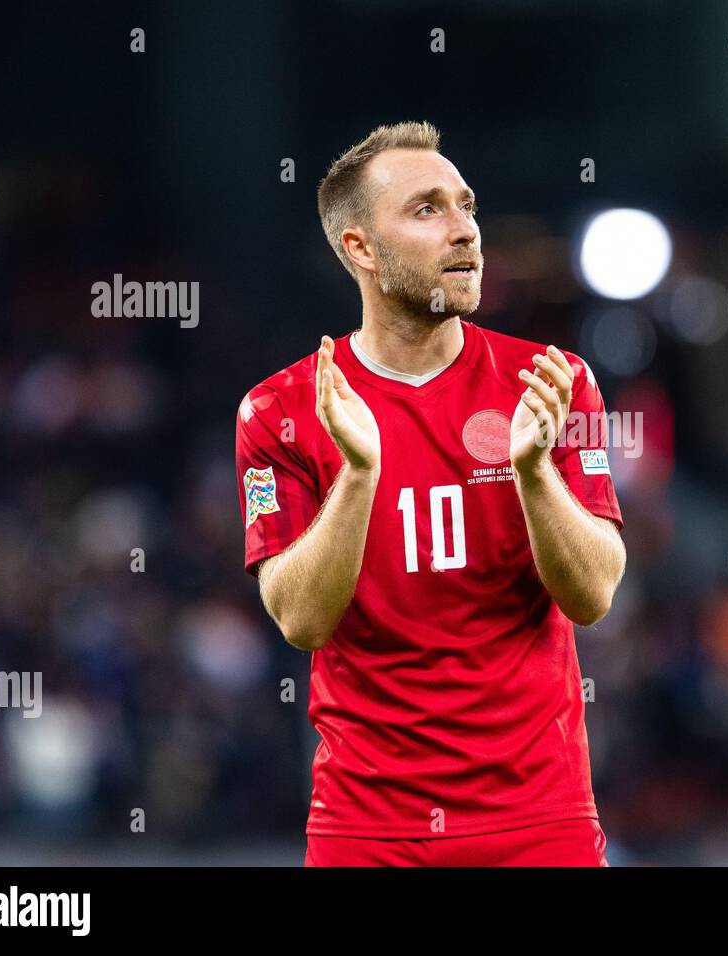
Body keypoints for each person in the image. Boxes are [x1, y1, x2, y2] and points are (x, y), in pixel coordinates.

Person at [235, 121, 626, 866]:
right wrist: (356, 475)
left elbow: (594, 595)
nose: (465, 231)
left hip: (539, 823)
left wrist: (536, 474)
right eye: (427, 210)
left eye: (466, 206)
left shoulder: (552, 383)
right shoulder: (283, 411)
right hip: (368, 830)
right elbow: (300, 621)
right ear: (360, 249)